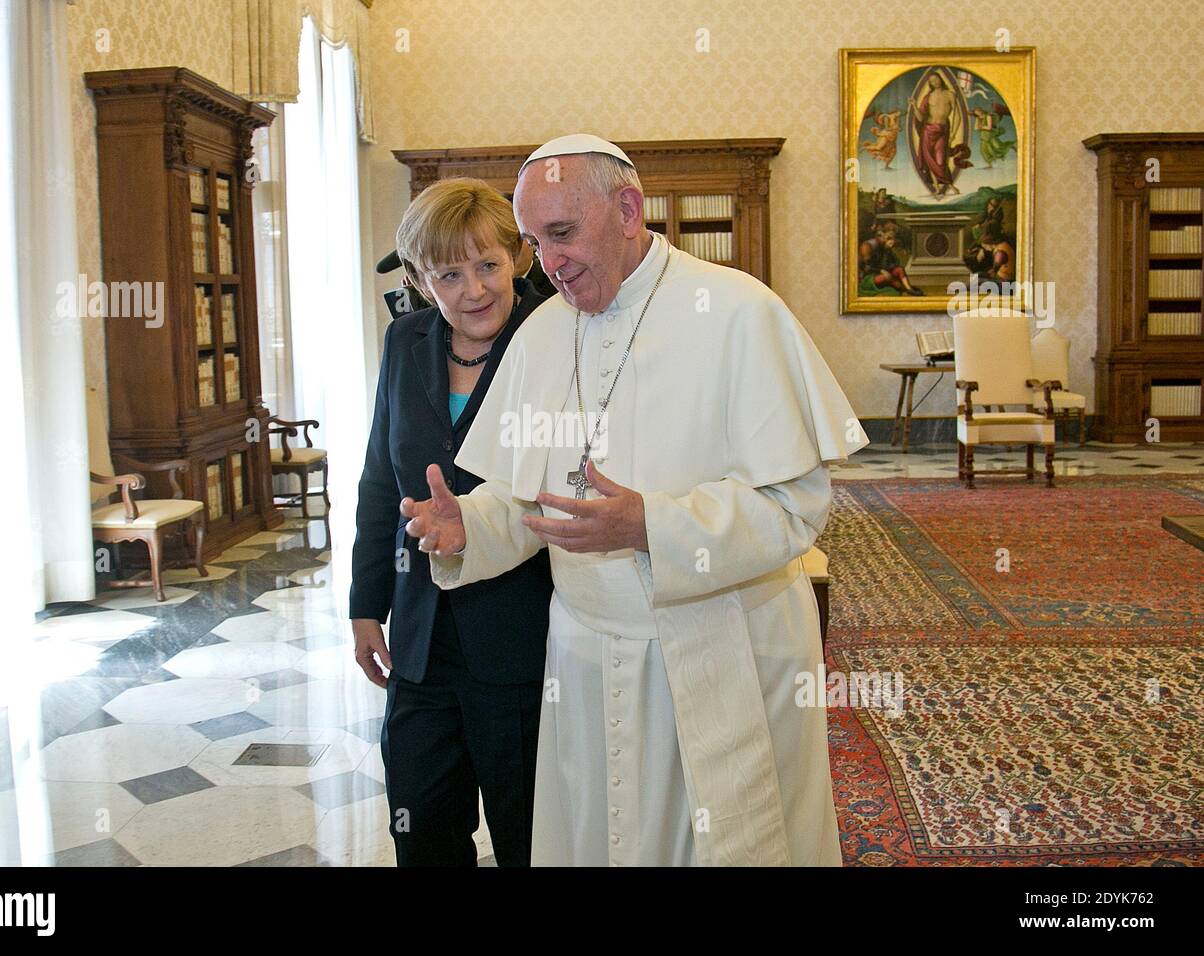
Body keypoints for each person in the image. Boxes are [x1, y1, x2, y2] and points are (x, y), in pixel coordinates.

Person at [401, 134, 869, 866]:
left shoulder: (738, 312)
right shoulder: (543, 335)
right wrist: (473, 525)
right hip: (586, 651)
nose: (548, 263)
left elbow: (796, 507)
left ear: (627, 210)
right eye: (534, 241)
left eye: (563, 233)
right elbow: (530, 500)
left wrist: (655, 525)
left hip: (721, 642)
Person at [349, 177, 552, 866]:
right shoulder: (404, 341)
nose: (474, 290)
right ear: (419, 279)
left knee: (529, 835)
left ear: (518, 259)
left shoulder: (555, 340)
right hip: (422, 635)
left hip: (524, 637)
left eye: (488, 265)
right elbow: (382, 478)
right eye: (449, 274)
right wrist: (364, 604)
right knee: (422, 827)